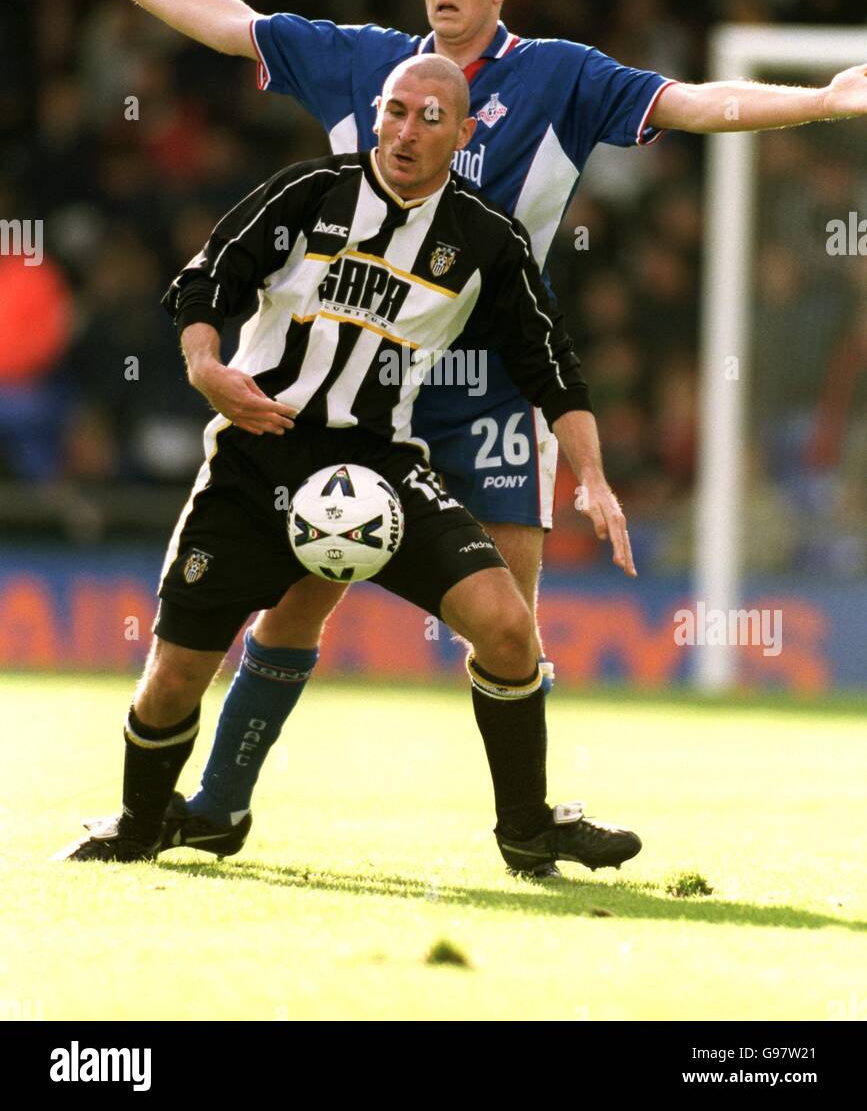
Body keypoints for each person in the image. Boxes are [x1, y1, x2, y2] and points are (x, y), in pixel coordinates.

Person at [43, 0, 867, 855]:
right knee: (301, 592)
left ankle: (524, 820)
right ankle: (219, 804)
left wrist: (820, 100)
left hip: (491, 383)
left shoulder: (559, 74)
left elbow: (684, 102)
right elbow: (236, 26)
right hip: (355, 386)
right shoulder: (368, 63)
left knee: (507, 616)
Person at [58, 55, 640, 880]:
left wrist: (593, 477)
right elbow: (207, 279)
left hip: (381, 465)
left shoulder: (483, 238)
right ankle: (140, 821)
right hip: (258, 457)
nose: (405, 132)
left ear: (463, 134)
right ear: (375, 115)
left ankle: (527, 829)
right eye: (394, 111)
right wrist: (205, 368)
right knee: (174, 677)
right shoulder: (309, 194)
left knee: (509, 629)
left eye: (428, 119)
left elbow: (554, 368)